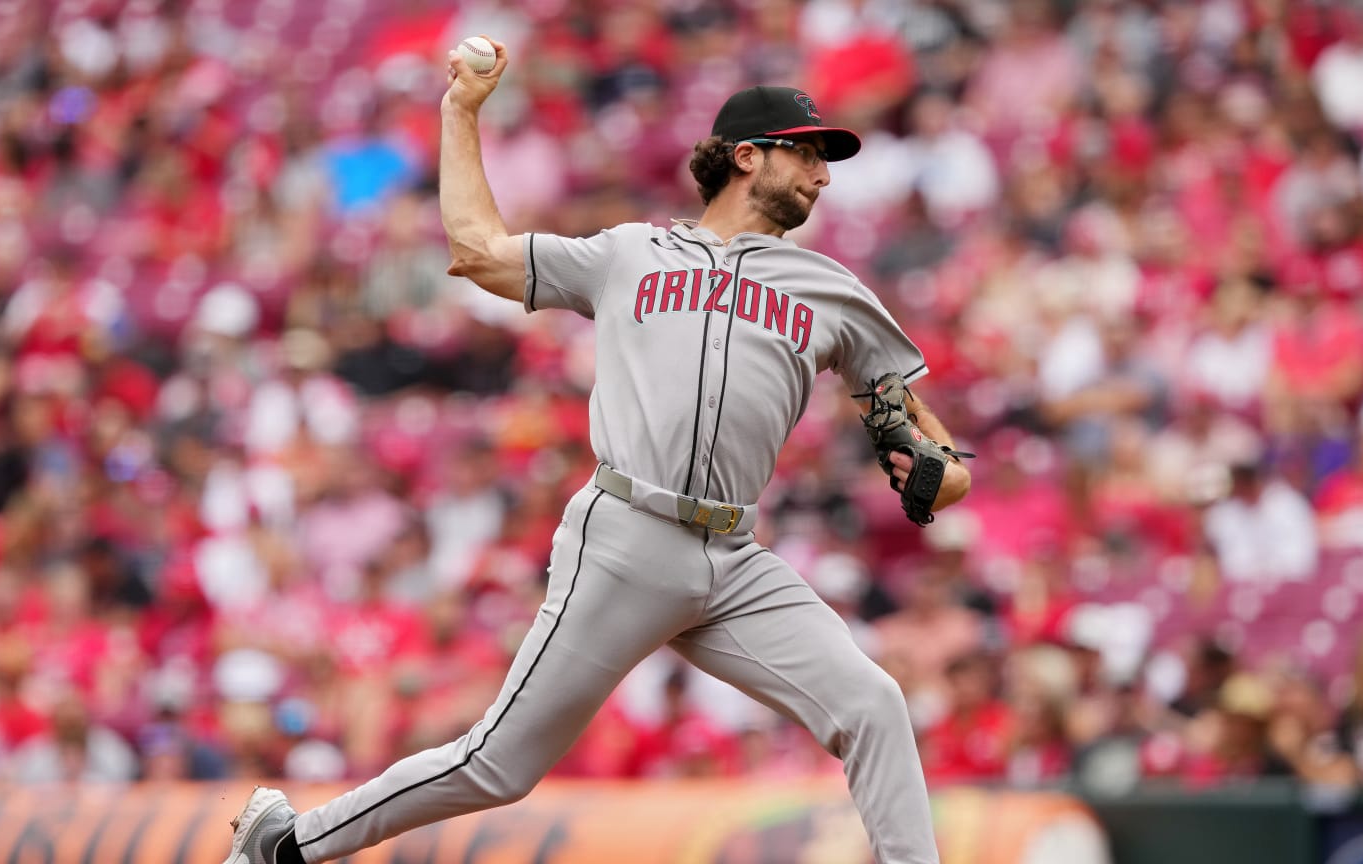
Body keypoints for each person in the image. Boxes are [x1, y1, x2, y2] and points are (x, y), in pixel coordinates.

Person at [221, 37, 971, 864]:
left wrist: (945, 475)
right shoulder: (628, 252)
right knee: (498, 765)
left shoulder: (833, 290)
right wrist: (461, 113)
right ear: (747, 157)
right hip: (627, 536)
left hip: (736, 556)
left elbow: (913, 427)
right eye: (808, 154)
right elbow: (477, 249)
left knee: (872, 703)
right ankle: (287, 845)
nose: (824, 175)